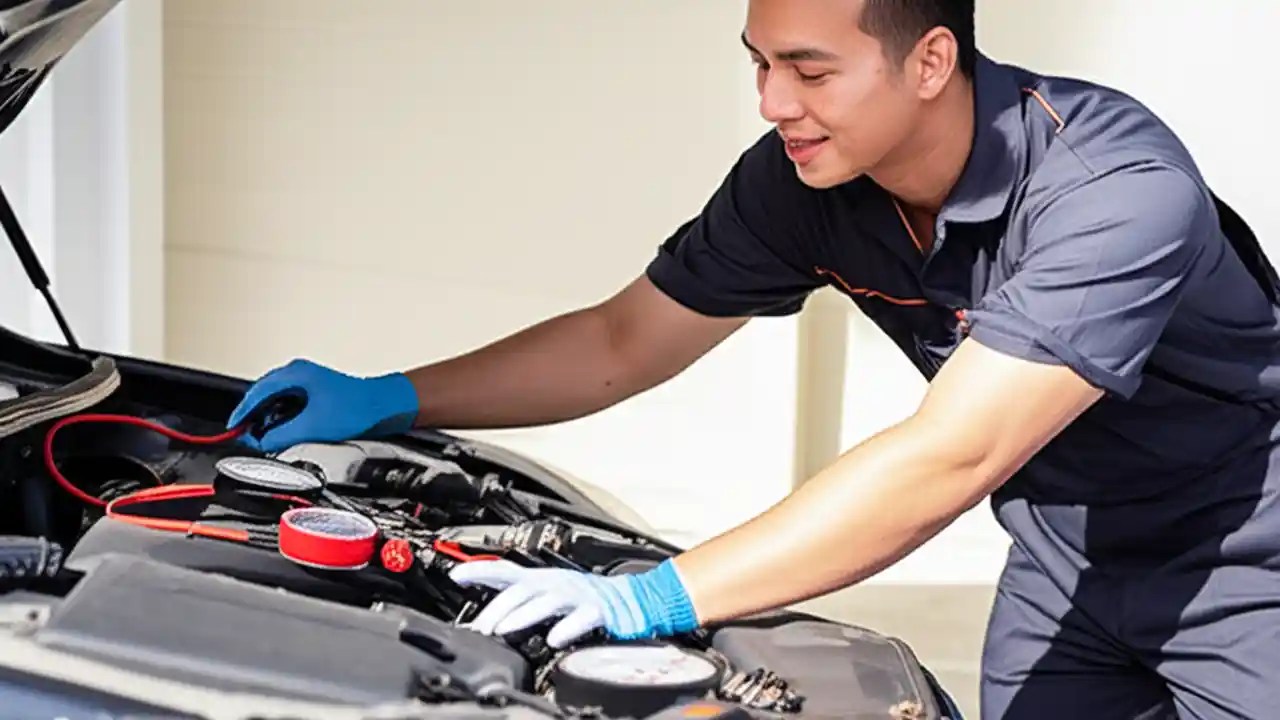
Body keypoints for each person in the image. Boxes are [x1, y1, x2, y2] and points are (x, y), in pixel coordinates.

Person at [227, 1, 1280, 717]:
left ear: (928, 61)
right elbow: (620, 341)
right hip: (1065, 561)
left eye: (809, 70)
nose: (773, 103)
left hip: (1247, 566)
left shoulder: (1113, 191)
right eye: (759, 64)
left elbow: (945, 461)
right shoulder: (801, 180)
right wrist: (393, 399)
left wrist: (655, 599)